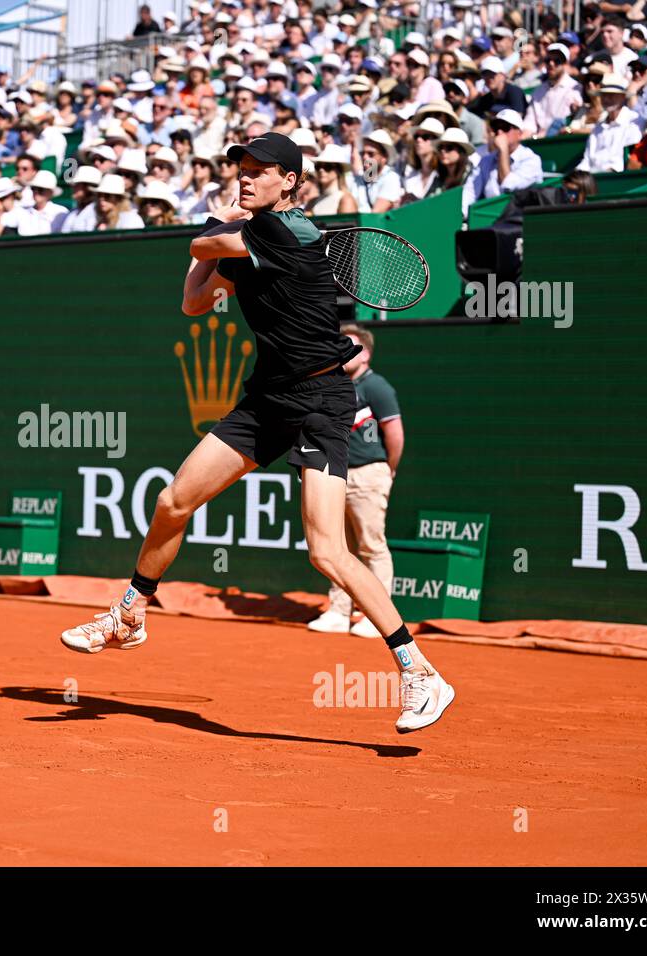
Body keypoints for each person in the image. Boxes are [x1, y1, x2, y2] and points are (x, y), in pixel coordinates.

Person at [59, 133, 455, 734]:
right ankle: (131, 613)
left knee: (326, 551)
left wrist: (221, 228)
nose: (245, 177)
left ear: (289, 181)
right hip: (267, 398)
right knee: (174, 500)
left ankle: (421, 672)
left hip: (320, 400)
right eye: (240, 169)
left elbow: (197, 242)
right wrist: (219, 243)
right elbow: (195, 301)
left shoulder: (278, 232)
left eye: (259, 171)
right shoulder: (254, 240)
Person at [308, 324, 403, 639]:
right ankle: (338, 612)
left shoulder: (377, 387)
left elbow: (394, 434)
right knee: (337, 548)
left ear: (366, 353)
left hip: (368, 474)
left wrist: (386, 470)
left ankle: (378, 617)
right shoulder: (334, 385)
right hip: (335, 475)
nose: (341, 352)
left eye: (349, 346)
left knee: (372, 546)